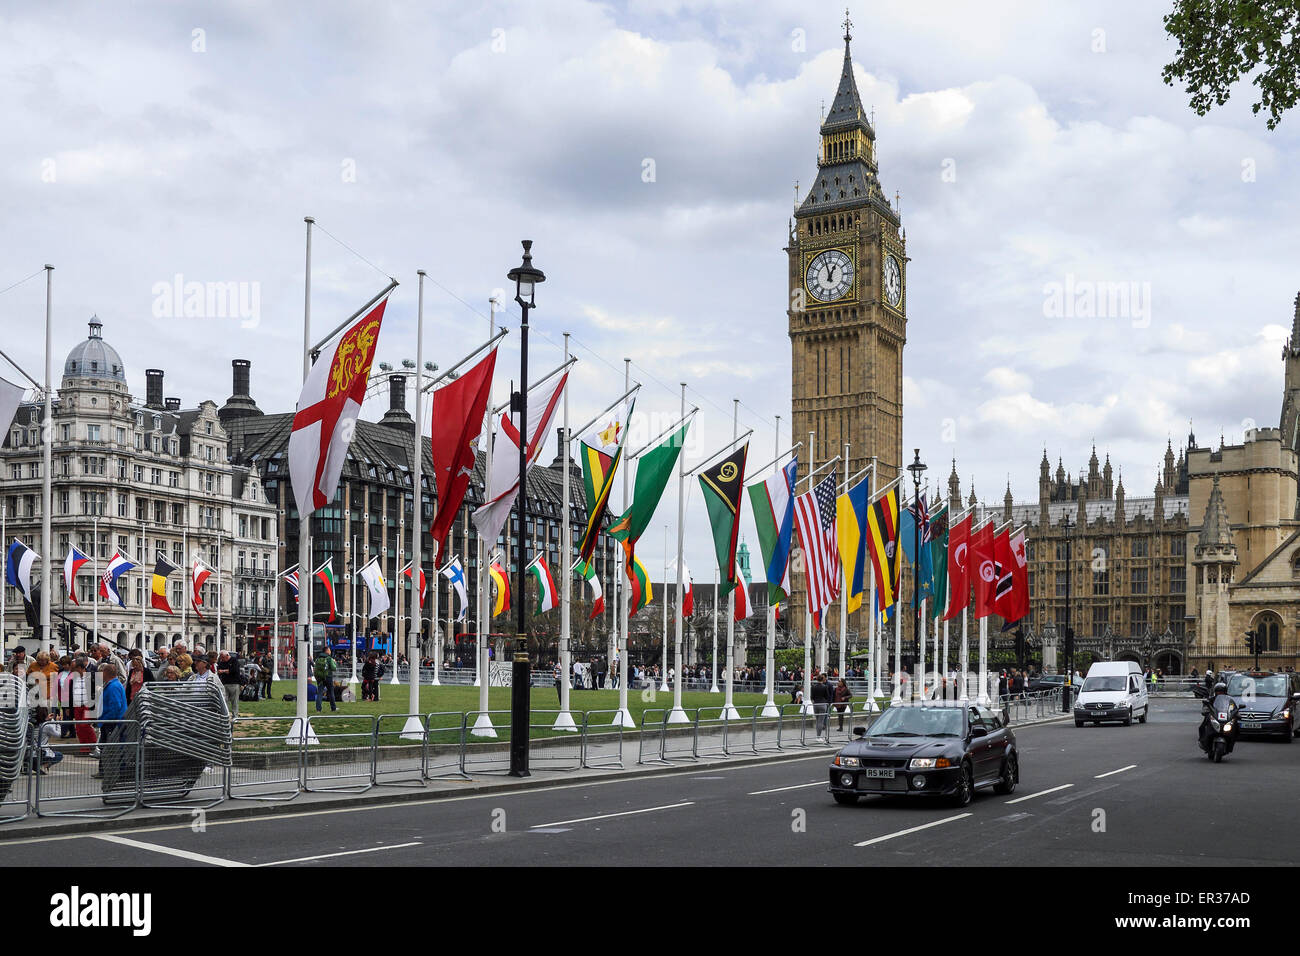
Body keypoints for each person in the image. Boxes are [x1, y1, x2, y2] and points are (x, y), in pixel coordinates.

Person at [92, 660, 127, 779]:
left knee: (108, 747)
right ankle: (104, 770)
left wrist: (104, 719)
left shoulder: (113, 686)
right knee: (105, 747)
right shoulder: (113, 685)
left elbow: (115, 707)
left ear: (106, 673)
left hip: (112, 722)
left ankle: (108, 771)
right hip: (110, 721)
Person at [216, 650, 241, 719]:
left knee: (234, 701)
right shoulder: (221, 662)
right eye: (221, 658)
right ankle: (225, 716)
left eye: (223, 657)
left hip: (234, 683)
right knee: (224, 700)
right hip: (224, 683)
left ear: (227, 655)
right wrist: (226, 671)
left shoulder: (234, 661)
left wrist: (224, 671)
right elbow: (218, 670)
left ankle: (235, 716)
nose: (222, 659)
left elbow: (234, 670)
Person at [811, 672, 831, 736]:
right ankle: (818, 736)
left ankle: (818, 735)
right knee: (820, 721)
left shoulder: (813, 687)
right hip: (822, 704)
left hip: (816, 704)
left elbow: (812, 696)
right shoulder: (825, 687)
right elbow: (827, 696)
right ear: (822, 679)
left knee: (817, 720)